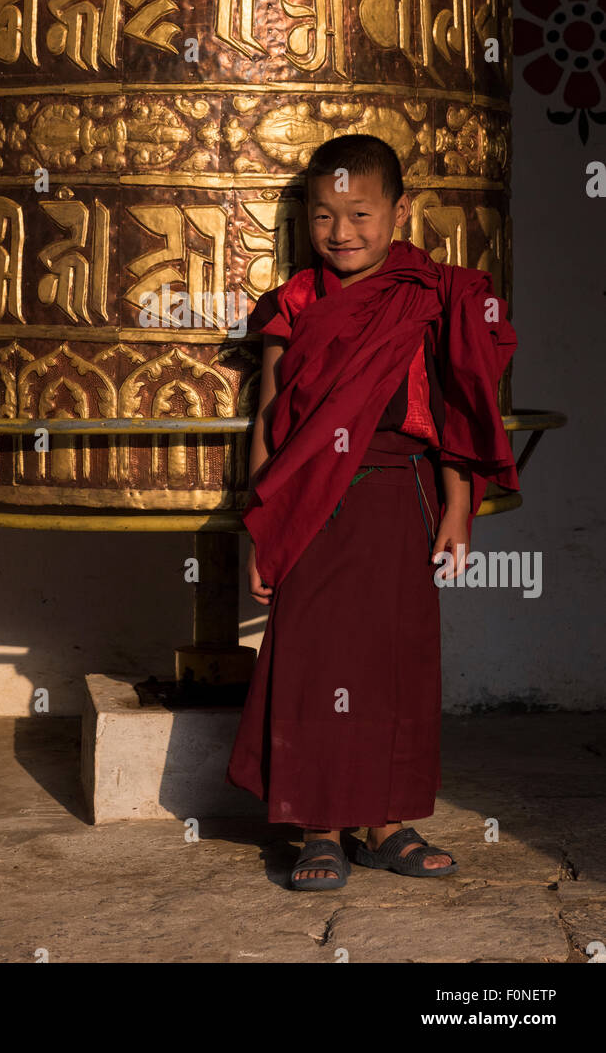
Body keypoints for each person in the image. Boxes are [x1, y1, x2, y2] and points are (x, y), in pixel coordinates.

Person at [225, 134, 519, 890]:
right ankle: (319, 827)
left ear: (399, 210)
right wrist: (265, 524)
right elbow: (268, 419)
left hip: (403, 493)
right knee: (314, 663)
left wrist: (458, 508)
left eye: (360, 213)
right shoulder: (297, 300)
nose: (343, 232)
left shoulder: (433, 294)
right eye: (325, 216)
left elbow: (456, 413)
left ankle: (386, 823)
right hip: (314, 503)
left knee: (397, 661)